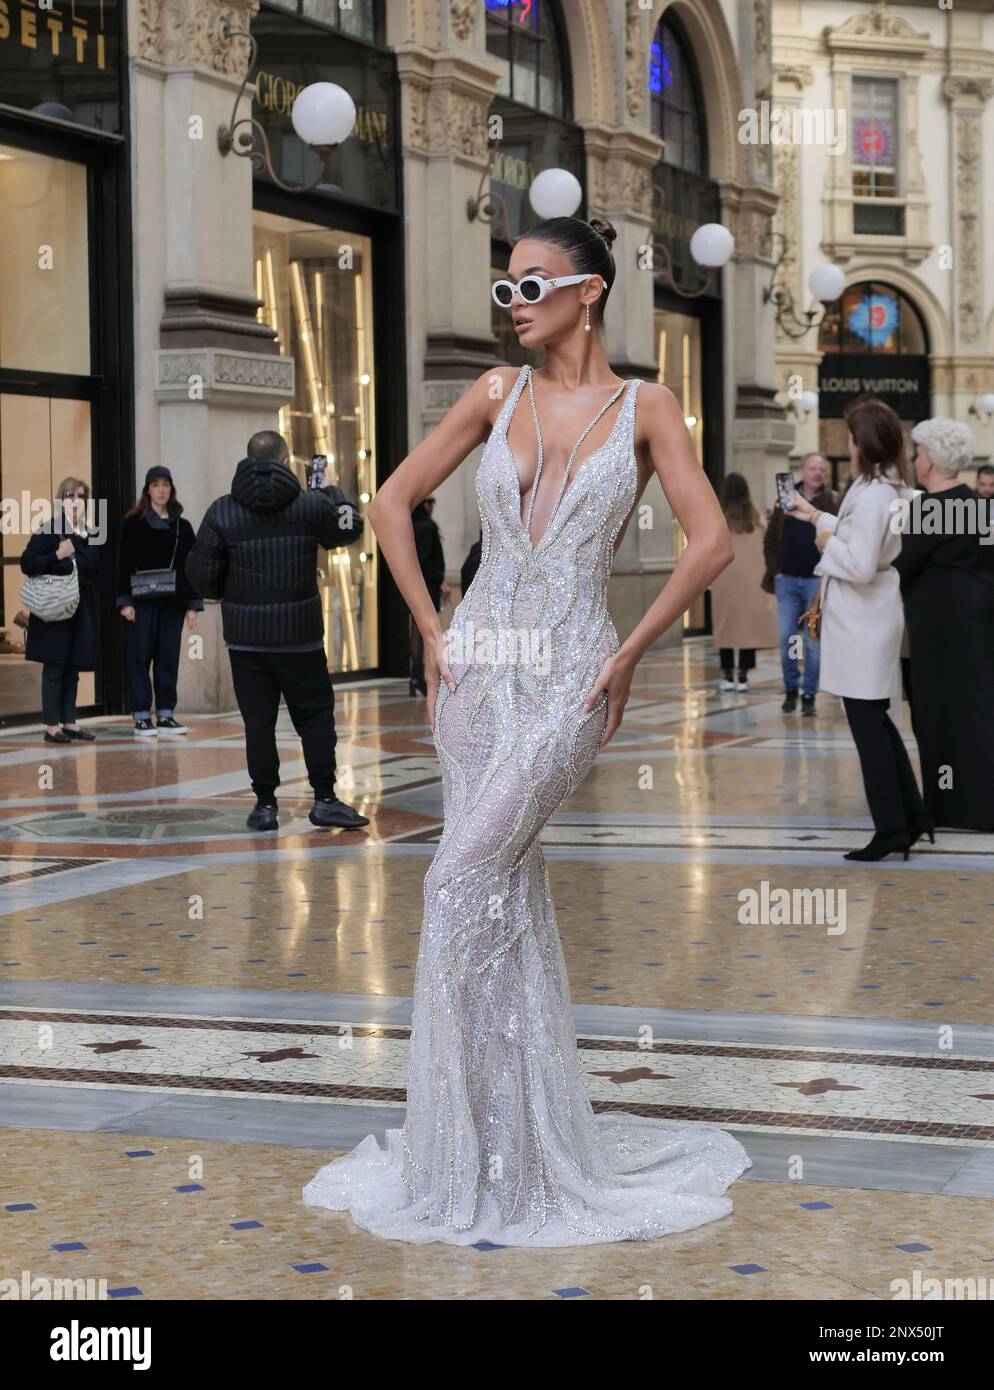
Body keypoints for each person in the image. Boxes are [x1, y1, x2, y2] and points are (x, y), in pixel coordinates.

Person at [302, 214, 751, 1246]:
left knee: (458, 877)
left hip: (569, 678)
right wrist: (425, 624)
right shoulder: (492, 394)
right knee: (496, 888)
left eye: (531, 285)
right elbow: (389, 502)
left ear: (588, 290)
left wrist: (628, 651)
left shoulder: (647, 406)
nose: (512, 306)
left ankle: (479, 1151)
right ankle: (491, 1144)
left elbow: (712, 542)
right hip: (476, 669)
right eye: (504, 288)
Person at [185, 431, 369, 832]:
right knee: (315, 716)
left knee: (258, 721)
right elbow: (350, 527)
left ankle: (265, 806)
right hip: (299, 637)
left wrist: (230, 595)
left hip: (245, 640)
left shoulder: (222, 511)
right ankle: (324, 799)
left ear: (246, 461)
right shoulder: (309, 505)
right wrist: (332, 488)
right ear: (287, 464)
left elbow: (200, 577)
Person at [790, 399, 927, 861]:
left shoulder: (875, 495)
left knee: (869, 729)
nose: (846, 445)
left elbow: (863, 563)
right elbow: (859, 539)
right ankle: (911, 817)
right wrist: (815, 517)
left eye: (850, 437)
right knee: (878, 724)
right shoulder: (878, 487)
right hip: (865, 619)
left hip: (865, 620)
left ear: (862, 443)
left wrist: (826, 542)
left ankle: (892, 829)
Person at [893, 418, 994, 831]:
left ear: (932, 460)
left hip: (939, 626)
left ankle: (949, 805)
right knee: (977, 710)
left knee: (936, 714)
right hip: (979, 621)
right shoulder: (978, 505)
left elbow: (901, 567)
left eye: (919, 453)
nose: (916, 460)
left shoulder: (930, 509)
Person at [117, 466, 202, 735]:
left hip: (171, 603)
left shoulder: (183, 526)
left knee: (168, 659)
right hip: (140, 604)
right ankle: (142, 716)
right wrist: (125, 601)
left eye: (165, 484)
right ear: (147, 490)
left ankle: (166, 714)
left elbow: (192, 568)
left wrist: (192, 606)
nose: (161, 490)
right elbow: (122, 564)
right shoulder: (133, 523)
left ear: (171, 489)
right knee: (139, 659)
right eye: (156, 485)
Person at [20, 477, 101, 744]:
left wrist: (74, 552)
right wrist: (57, 555)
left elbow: (93, 567)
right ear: (61, 500)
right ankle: (51, 726)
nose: (75, 501)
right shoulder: (47, 530)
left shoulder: (88, 533)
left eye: (81, 497)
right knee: (54, 667)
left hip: (78, 608)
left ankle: (70, 722)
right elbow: (28, 564)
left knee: (73, 668)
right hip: (53, 610)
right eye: (70, 496)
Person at [762, 452, 838, 714]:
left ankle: (809, 694)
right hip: (787, 582)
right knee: (786, 636)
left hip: (816, 583)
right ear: (802, 471)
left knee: (813, 640)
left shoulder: (833, 501)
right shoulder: (786, 501)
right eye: (813, 468)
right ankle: (791, 688)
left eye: (822, 469)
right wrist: (776, 571)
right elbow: (770, 540)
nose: (818, 473)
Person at [711, 472, 778, 691]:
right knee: (747, 626)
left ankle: (728, 675)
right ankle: (743, 677)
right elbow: (766, 539)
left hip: (725, 577)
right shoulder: (755, 515)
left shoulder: (718, 515)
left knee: (726, 624)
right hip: (751, 579)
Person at [408, 497, 447, 697]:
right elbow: (432, 561)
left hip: (411, 584)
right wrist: (439, 581)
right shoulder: (427, 528)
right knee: (426, 632)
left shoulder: (410, 527)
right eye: (429, 501)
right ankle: (421, 676)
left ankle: (414, 676)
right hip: (427, 585)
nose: (432, 506)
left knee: (416, 631)